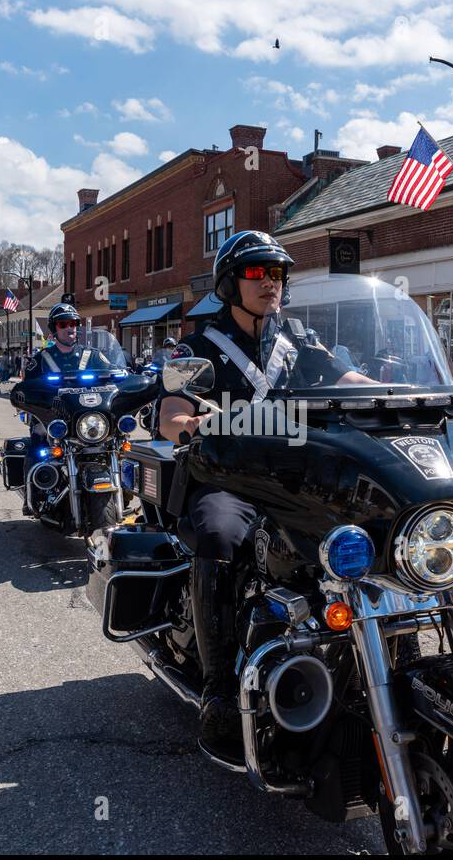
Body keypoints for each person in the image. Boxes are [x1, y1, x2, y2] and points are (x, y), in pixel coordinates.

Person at [156, 230, 370, 763]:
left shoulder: (299, 339)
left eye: (276, 274)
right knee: (221, 535)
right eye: (257, 274)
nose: (269, 283)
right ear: (231, 283)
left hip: (299, 480)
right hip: (229, 478)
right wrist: (192, 425)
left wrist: (406, 397)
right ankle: (220, 689)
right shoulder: (199, 346)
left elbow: (353, 381)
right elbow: (170, 413)